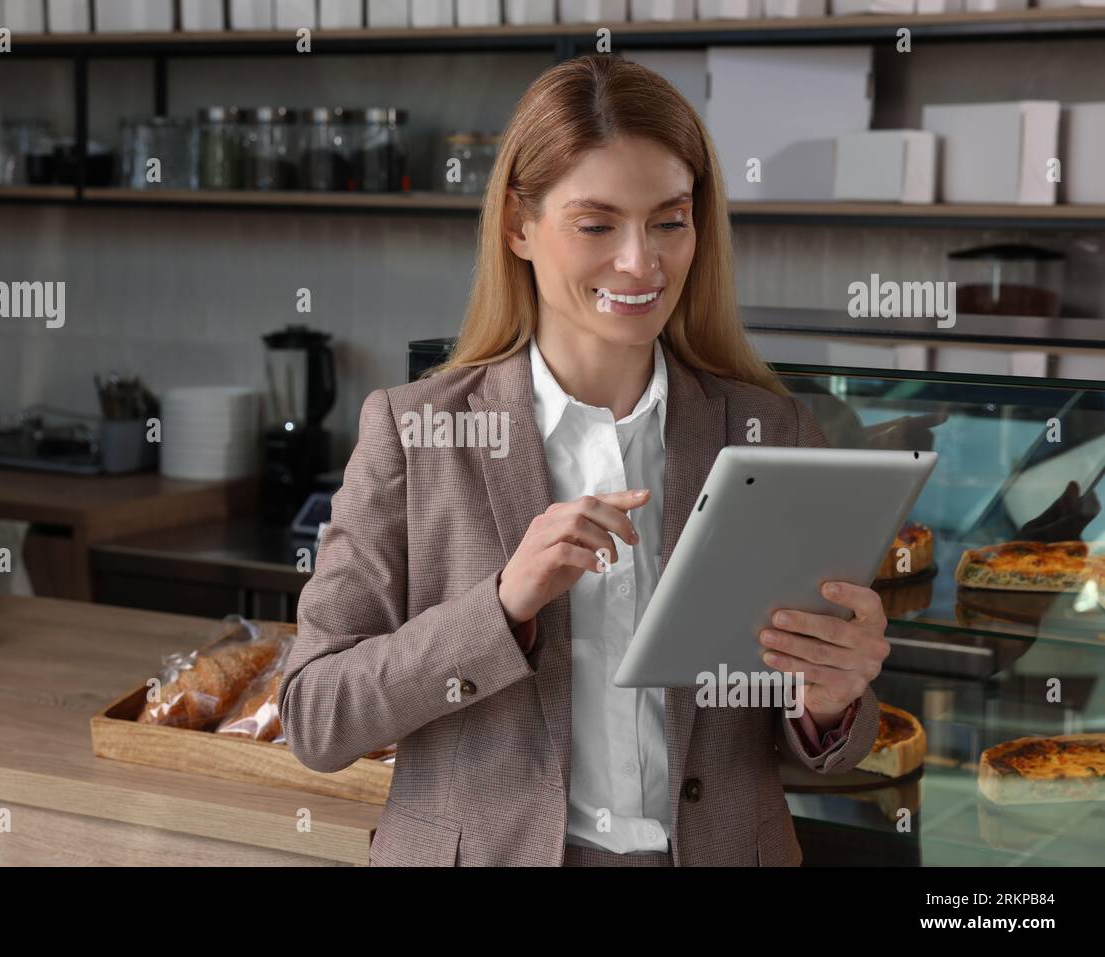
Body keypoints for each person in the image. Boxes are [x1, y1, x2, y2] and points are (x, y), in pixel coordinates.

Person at [279, 54, 886, 867]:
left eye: (669, 220)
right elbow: (315, 717)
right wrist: (498, 609)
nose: (641, 263)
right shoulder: (413, 432)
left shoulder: (770, 429)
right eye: (597, 224)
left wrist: (833, 699)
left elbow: (818, 743)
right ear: (518, 227)